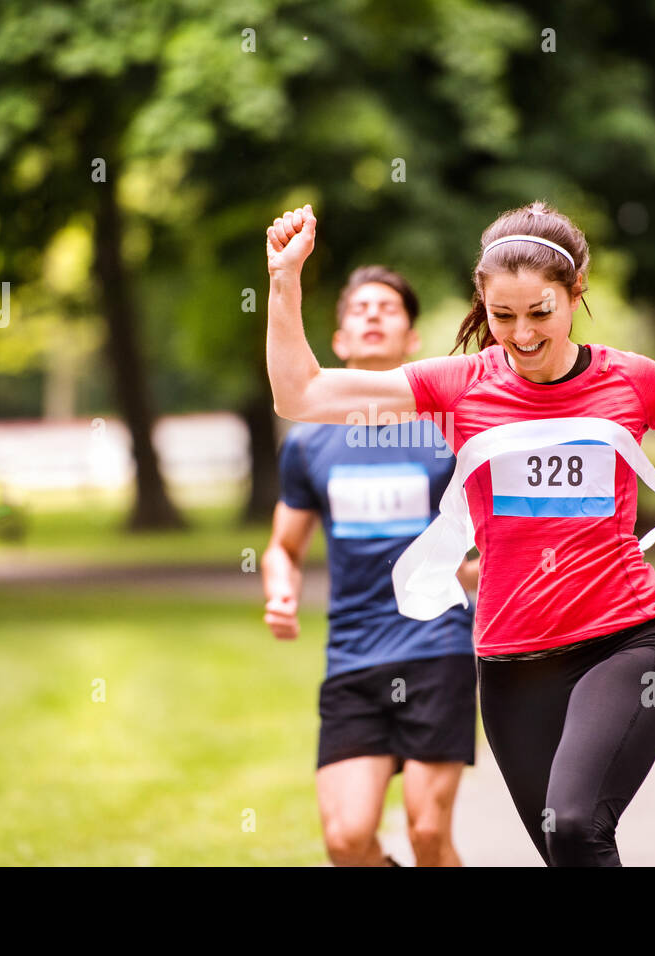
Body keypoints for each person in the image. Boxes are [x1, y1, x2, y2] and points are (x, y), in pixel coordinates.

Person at [265, 200, 655, 866]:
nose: (523, 334)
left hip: (623, 646)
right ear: (483, 301)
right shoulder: (459, 386)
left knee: (574, 825)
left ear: (575, 294)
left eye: (540, 312)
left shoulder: (633, 382)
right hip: (511, 665)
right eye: (502, 316)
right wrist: (284, 280)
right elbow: (300, 395)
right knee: (572, 853)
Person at [261, 265, 480, 867]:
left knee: (428, 832)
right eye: (360, 308)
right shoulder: (308, 442)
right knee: (346, 840)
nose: (374, 314)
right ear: (338, 343)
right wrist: (280, 593)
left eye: (389, 307)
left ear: (413, 339)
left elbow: (492, 535)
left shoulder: (449, 430)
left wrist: (474, 572)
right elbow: (284, 546)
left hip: (437, 649)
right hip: (354, 654)